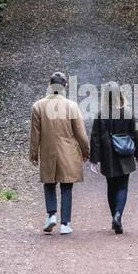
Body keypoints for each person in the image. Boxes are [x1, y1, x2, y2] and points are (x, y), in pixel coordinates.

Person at [30, 72, 90, 234]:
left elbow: (35, 134)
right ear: (65, 86)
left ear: (49, 84)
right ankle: (65, 224)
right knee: (66, 186)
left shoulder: (38, 106)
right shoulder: (72, 106)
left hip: (48, 151)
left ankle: (51, 215)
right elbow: (80, 133)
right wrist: (86, 151)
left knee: (49, 183)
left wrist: (34, 154)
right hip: (68, 151)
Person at [89, 81, 138, 234]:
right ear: (120, 94)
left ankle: (114, 215)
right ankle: (118, 215)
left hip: (108, 155)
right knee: (122, 186)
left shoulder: (100, 114)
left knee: (111, 186)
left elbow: (95, 137)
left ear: (105, 96)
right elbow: (135, 134)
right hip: (125, 153)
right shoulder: (127, 112)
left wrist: (94, 159)